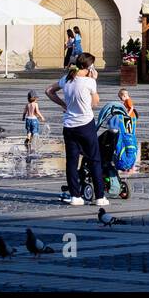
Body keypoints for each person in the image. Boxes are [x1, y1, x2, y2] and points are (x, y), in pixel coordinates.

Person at [46, 52, 107, 207]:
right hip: (86, 124)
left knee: (72, 162)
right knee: (94, 159)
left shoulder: (67, 79)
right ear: (89, 67)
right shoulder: (89, 82)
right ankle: (99, 197)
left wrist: (62, 104)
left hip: (69, 126)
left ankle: (75, 196)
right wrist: (94, 81)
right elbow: (95, 104)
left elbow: (48, 91)